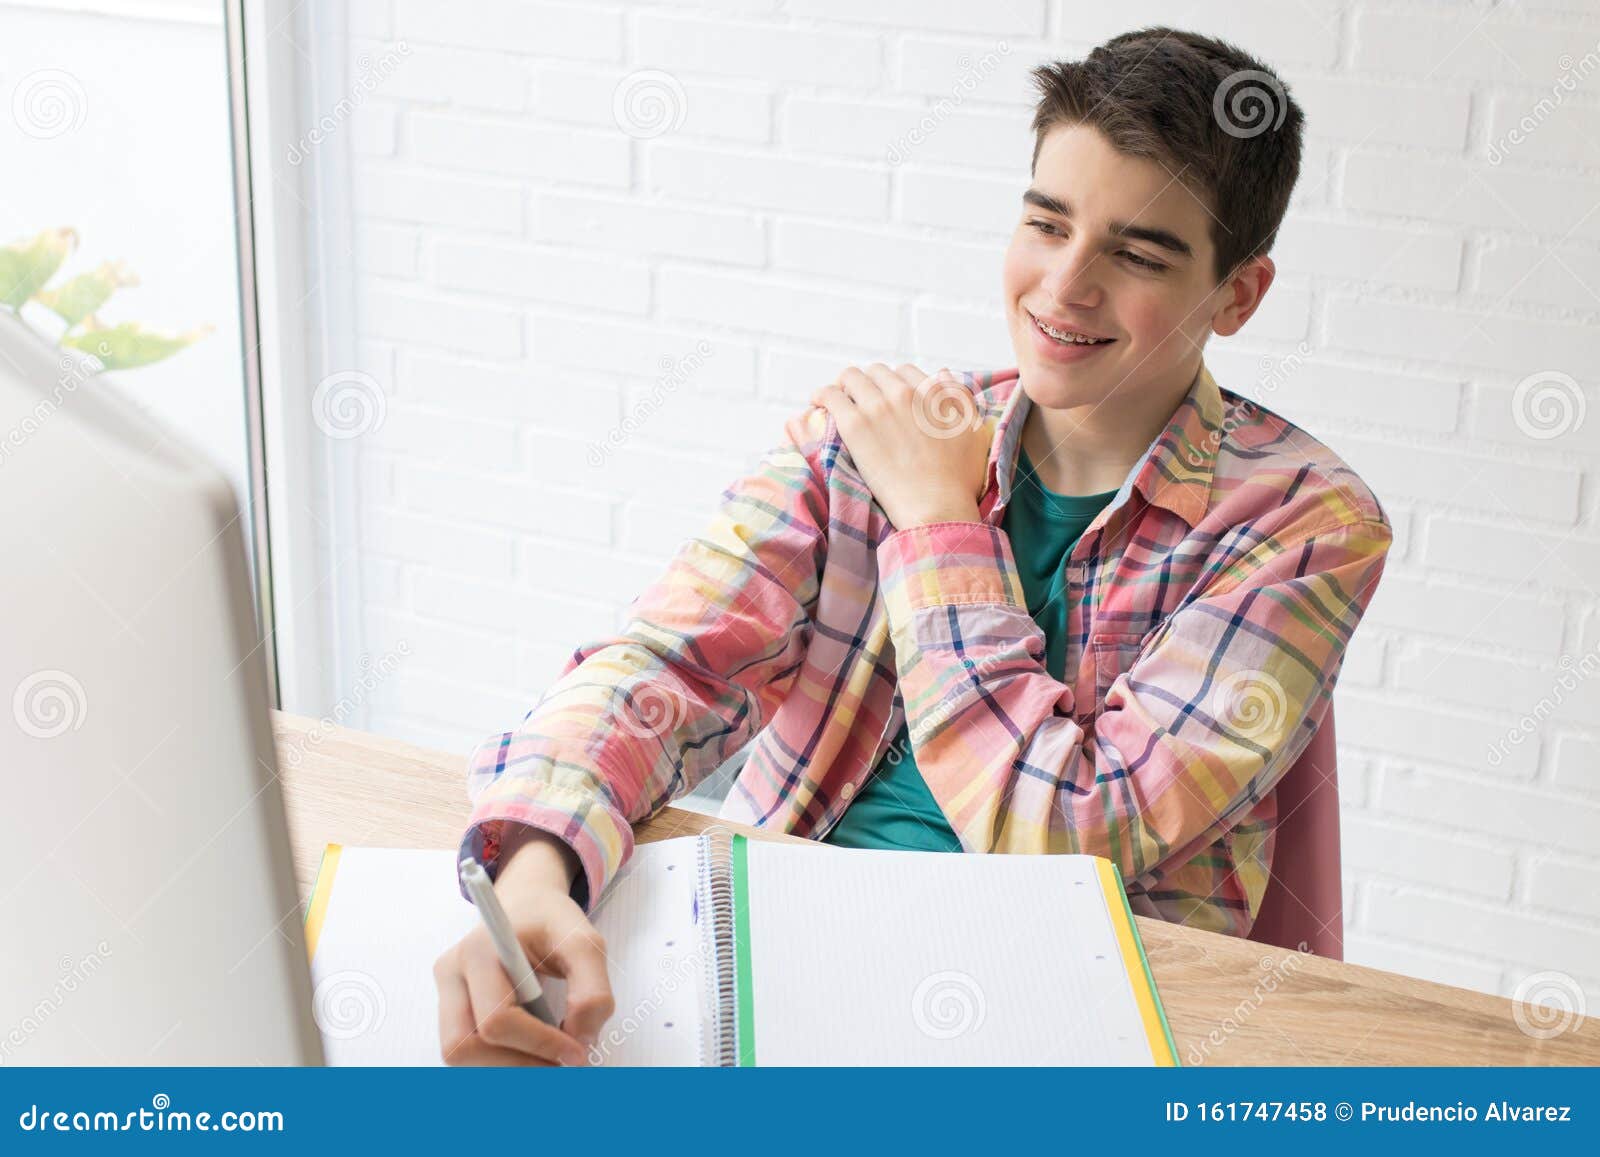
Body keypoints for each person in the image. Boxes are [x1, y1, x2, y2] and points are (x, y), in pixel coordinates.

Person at [432, 26, 1393, 1066]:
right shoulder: (880, 431)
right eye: (1046, 223)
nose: (1063, 285)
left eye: (1136, 254)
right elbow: (666, 666)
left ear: (1236, 293)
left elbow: (1066, 834)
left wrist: (939, 523)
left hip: (1071, 1016)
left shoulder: (1306, 523)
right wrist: (537, 867)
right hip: (789, 955)